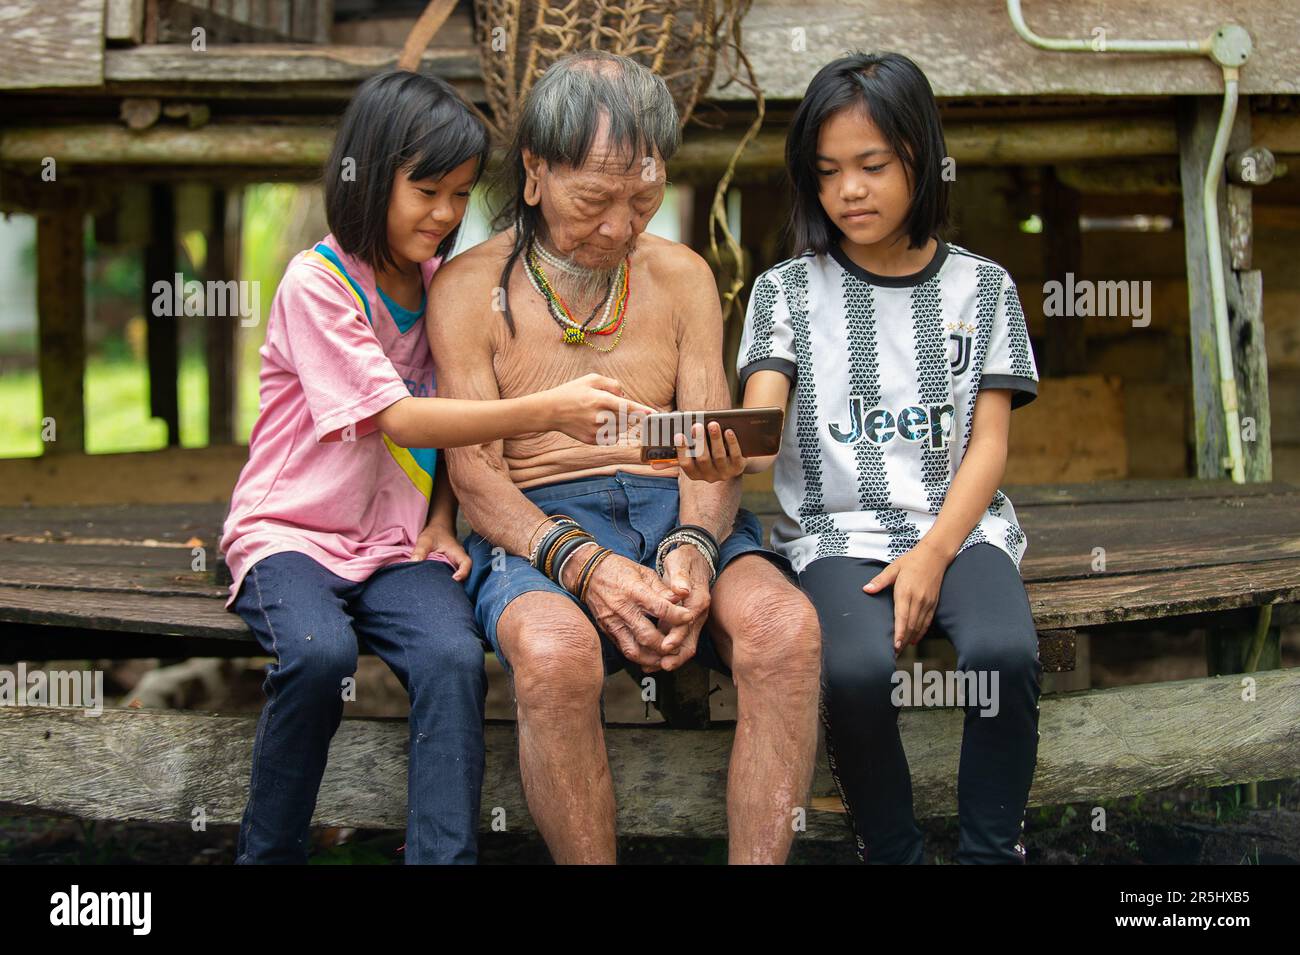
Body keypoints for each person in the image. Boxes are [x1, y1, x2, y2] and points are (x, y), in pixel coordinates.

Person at [219, 69, 650, 864]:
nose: (447, 213)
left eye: (459, 194)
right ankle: (268, 853)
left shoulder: (436, 285)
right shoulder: (319, 285)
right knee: (318, 653)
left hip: (395, 545)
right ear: (367, 177)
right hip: (291, 537)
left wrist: (444, 521)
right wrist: (547, 408)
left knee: (452, 658)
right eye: (426, 191)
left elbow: (455, 418)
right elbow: (402, 417)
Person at [429, 50, 823, 864]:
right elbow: (476, 475)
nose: (619, 226)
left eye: (643, 199)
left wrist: (694, 547)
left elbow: (713, 449)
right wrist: (585, 565)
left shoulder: (682, 278)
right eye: (594, 200)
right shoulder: (468, 290)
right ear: (534, 173)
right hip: (536, 526)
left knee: (785, 630)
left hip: (679, 510)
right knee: (554, 654)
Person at [675, 51, 1043, 864]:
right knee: (852, 669)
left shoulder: (984, 288)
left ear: (921, 156)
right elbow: (762, 426)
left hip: (961, 528)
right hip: (837, 536)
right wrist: (724, 451)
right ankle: (893, 848)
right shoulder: (784, 291)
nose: (849, 190)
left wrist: (934, 552)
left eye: (872, 166)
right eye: (828, 171)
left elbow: (989, 444)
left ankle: (991, 851)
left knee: (1004, 653)